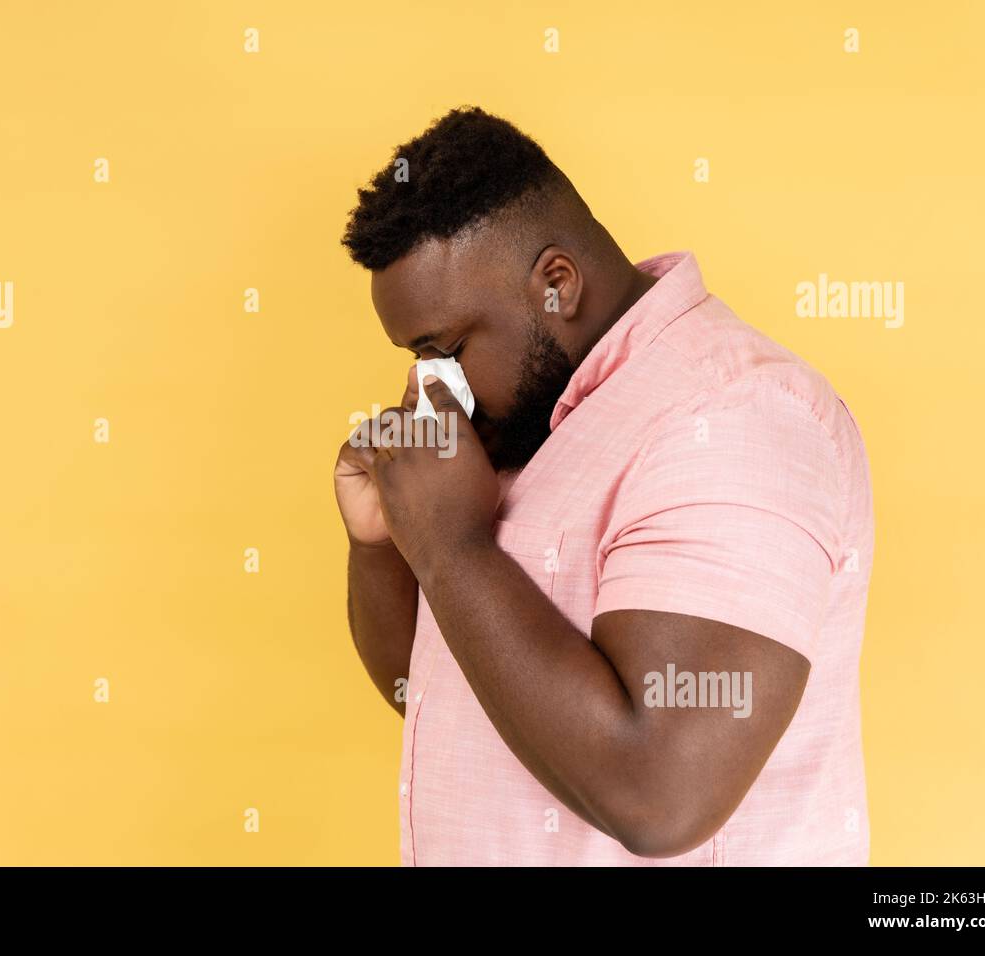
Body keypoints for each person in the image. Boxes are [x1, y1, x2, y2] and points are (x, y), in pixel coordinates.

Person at [334, 106, 873, 866]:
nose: (433, 385)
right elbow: (426, 692)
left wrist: (453, 546)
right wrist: (386, 542)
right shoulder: (527, 419)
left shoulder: (736, 418)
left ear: (556, 284)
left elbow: (659, 796)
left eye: (447, 348)